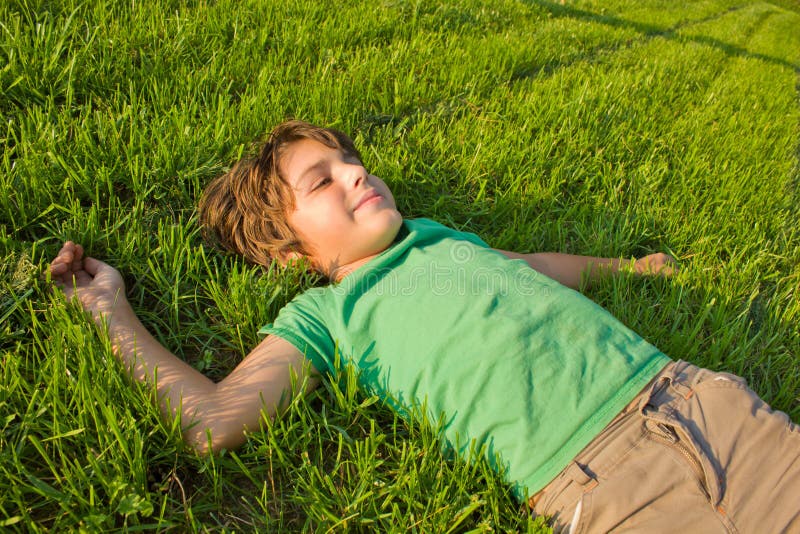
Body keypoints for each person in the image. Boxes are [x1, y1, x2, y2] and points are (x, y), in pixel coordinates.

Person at [49, 120, 799, 532]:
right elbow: (213, 422)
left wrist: (630, 270)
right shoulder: (327, 316)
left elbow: (533, 264)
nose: (357, 175)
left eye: (353, 162)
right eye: (324, 180)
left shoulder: (439, 236)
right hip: (600, 479)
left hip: (698, 401)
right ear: (287, 247)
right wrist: (113, 310)